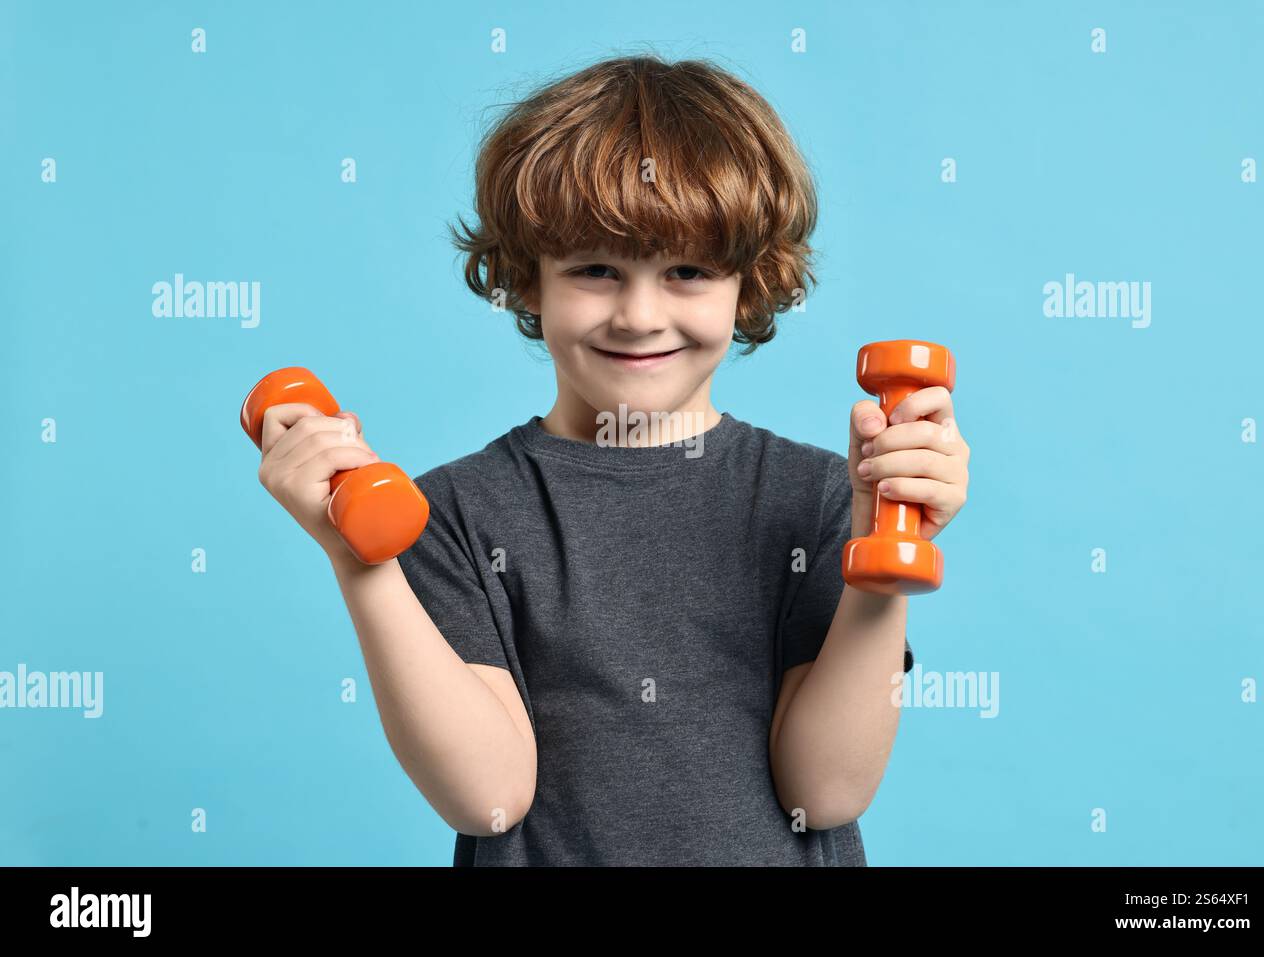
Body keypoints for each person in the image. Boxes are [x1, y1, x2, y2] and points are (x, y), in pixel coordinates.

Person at [254, 54, 971, 865]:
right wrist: (363, 563)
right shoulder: (453, 513)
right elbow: (488, 796)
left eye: (688, 272)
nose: (639, 315)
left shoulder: (818, 498)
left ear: (751, 282)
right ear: (526, 279)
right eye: (596, 269)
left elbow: (826, 792)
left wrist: (884, 567)